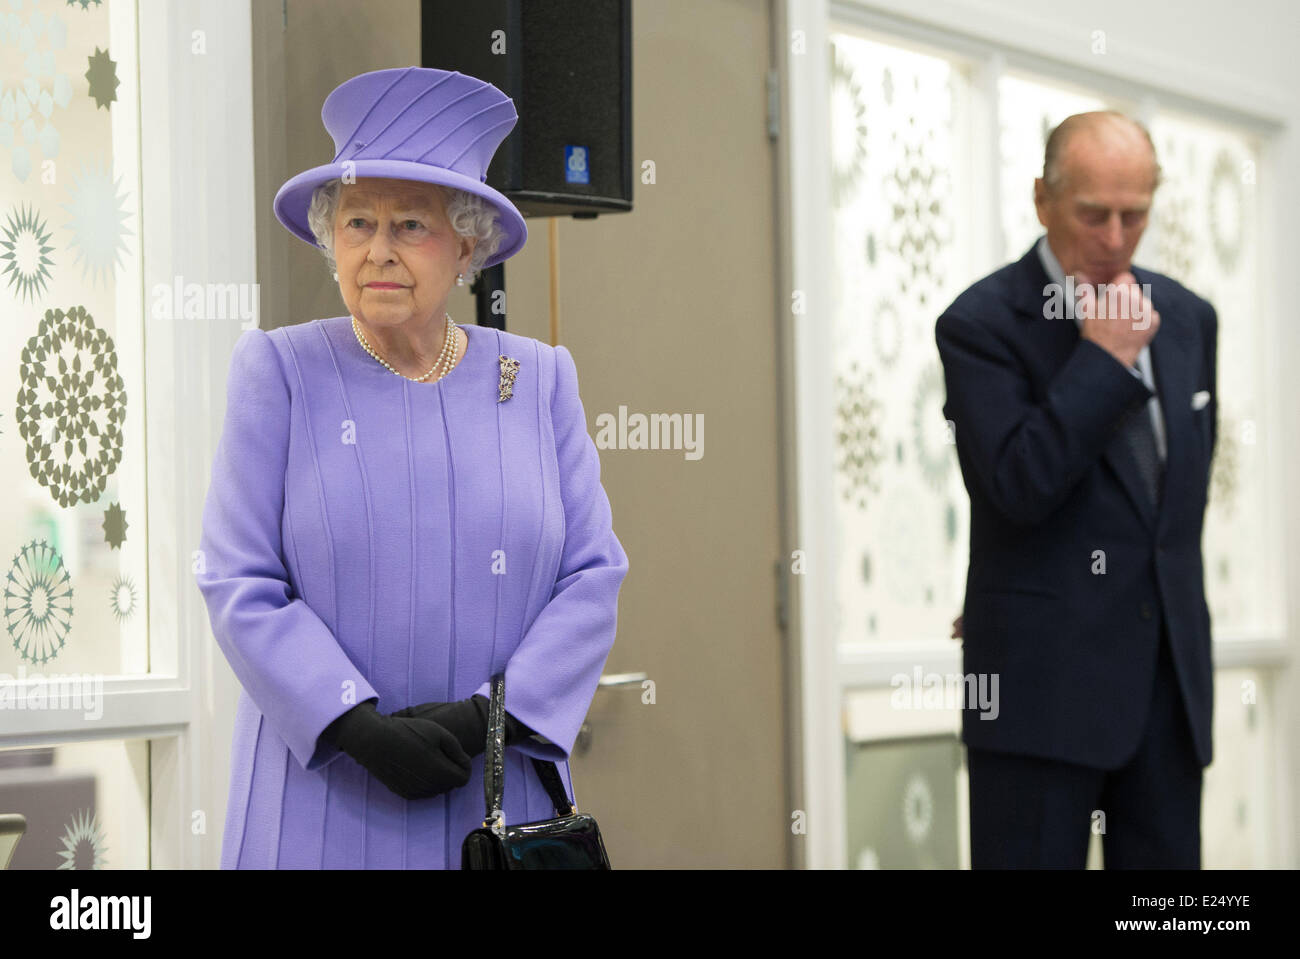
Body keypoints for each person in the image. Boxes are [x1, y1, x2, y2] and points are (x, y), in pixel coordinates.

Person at [196, 67, 629, 869]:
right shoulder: (280, 372)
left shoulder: (537, 380)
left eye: (410, 225)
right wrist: (352, 725)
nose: (379, 251)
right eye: (357, 222)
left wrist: (484, 718)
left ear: (466, 243)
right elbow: (238, 579)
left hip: (495, 797)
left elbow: (593, 573)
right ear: (331, 239)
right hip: (320, 794)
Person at [936, 111, 1217, 868]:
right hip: (1037, 694)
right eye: (1094, 215)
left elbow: (1169, 510)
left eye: (1136, 215)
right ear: (1042, 200)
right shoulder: (980, 324)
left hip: (1167, 694)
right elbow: (1016, 483)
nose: (1117, 239)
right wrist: (1104, 359)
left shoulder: (1189, 319)